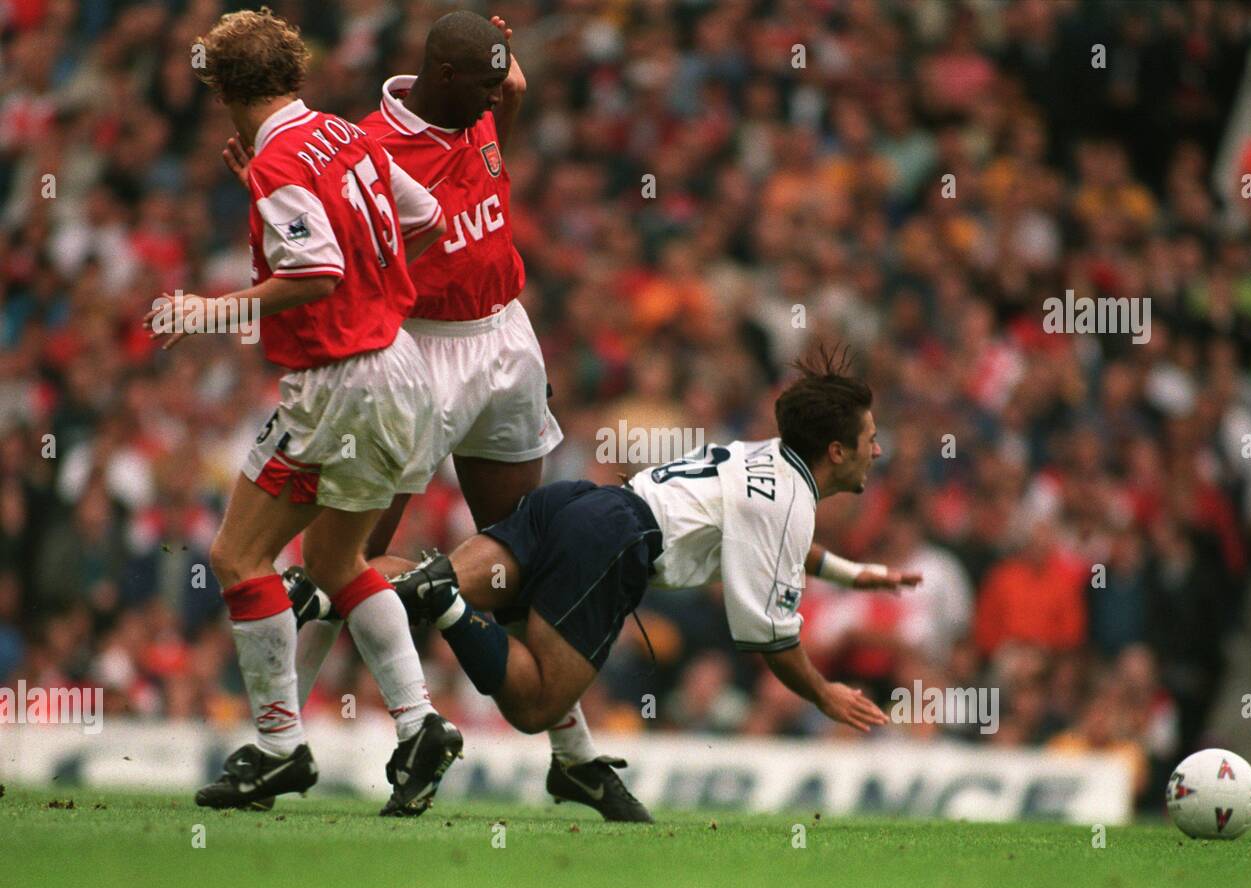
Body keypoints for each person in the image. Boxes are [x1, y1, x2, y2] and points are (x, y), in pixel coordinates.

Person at [220, 10, 653, 821]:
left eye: (501, 79)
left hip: (506, 338)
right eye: (487, 82)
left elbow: (513, 80)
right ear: (446, 78)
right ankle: (286, 740)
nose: (504, 94)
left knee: (519, 551)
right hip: (418, 347)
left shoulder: (487, 107)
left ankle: (575, 756)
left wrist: (501, 44)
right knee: (346, 558)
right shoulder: (371, 142)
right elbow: (323, 237)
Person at [150, 7, 457, 816]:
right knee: (333, 562)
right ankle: (421, 724)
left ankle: (281, 747)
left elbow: (315, 269)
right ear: (291, 72)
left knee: (237, 557)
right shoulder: (340, 134)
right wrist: (368, 280)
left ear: (220, 88)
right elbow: (424, 219)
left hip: (339, 379)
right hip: (398, 366)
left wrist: (205, 311)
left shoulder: (282, 160)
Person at [392, 349, 902, 737]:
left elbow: (774, 543)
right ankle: (449, 608)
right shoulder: (787, 507)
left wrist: (851, 573)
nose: (877, 450)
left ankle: (330, 586)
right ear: (836, 451)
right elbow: (772, 641)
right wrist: (824, 694)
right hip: (615, 543)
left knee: (411, 584)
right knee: (538, 708)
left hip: (580, 503)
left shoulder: (768, 454)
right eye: (870, 438)